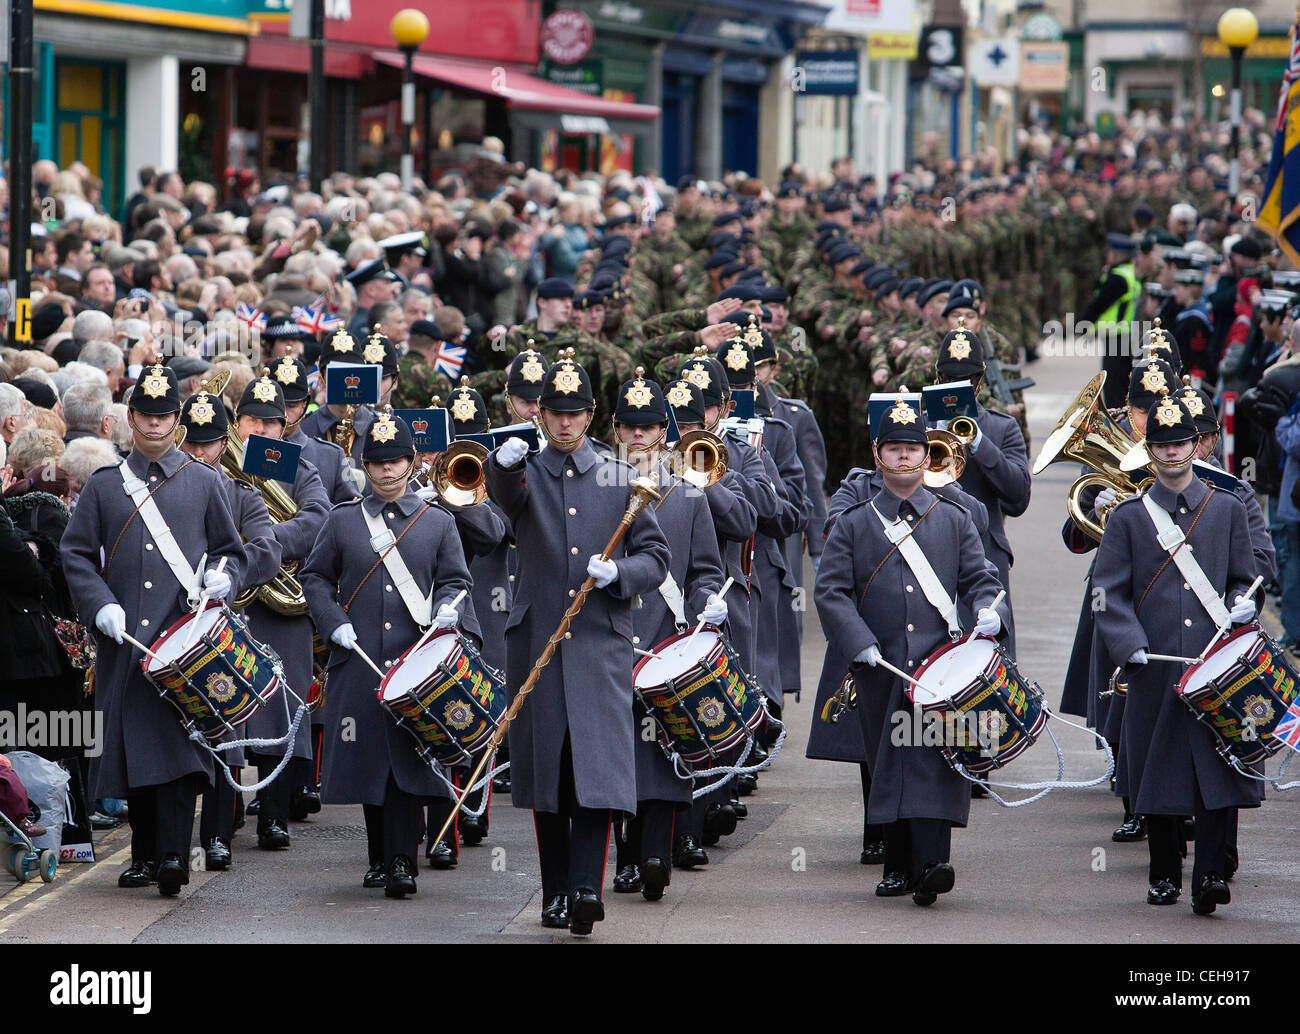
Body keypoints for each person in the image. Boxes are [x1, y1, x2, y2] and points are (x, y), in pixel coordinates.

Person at [485, 351, 670, 936]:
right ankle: (556, 892)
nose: (564, 424)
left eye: (575, 414)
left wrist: (622, 576)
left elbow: (656, 557)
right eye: (554, 414)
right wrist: (501, 466)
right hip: (539, 637)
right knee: (549, 777)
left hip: (598, 642)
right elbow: (502, 505)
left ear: (591, 416)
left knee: (597, 771)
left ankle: (587, 888)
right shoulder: (527, 472)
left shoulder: (620, 476)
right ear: (540, 415)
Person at [62, 359, 245, 896]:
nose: (157, 426)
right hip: (127, 644)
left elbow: (231, 553)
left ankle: (172, 856)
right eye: (147, 416)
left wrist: (220, 579)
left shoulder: (203, 482)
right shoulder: (104, 487)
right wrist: (99, 605)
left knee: (178, 752)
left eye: (166, 416)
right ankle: (144, 854)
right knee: (133, 751)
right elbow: (75, 555)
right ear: (132, 419)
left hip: (183, 641)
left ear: (178, 421)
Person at [814, 394, 1004, 905]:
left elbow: (980, 578)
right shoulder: (856, 521)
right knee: (888, 759)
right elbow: (830, 591)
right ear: (878, 454)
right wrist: (858, 643)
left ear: (927, 455)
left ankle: (933, 863)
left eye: (912, 449)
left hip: (940, 662)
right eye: (894, 449)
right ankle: (896, 864)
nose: (904, 457)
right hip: (881, 664)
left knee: (935, 759)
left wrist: (990, 613)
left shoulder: (954, 516)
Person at [1092, 393, 1259, 914]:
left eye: (1180, 442)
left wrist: (1241, 609)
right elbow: (1107, 592)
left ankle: (1210, 873)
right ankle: (1163, 873)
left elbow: (1244, 577)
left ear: (1196, 444)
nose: (1171, 453)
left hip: (1216, 664)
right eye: (1161, 445)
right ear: (1150, 449)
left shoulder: (1225, 507)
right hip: (1155, 664)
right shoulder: (1127, 517)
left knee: (1219, 766)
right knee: (1157, 769)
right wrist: (1128, 644)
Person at [300, 409, 478, 899]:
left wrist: (447, 612)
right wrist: (333, 623)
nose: (386, 470)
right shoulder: (342, 521)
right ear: (365, 465)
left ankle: (402, 860)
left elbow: (456, 581)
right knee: (370, 763)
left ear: (410, 461)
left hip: (415, 660)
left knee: (408, 764)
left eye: (395, 460)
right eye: (377, 462)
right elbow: (314, 578)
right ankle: (380, 857)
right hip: (359, 660)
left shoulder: (436, 521)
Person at [608, 370, 726, 901]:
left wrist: (707, 606)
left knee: (661, 753)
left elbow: (704, 570)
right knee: (615, 755)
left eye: (649, 427)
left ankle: (653, 853)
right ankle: (625, 857)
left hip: (666, 640)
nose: (639, 436)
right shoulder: (596, 487)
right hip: (609, 637)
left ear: (665, 431)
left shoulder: (688, 495)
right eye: (630, 427)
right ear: (614, 429)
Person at [175, 383, 281, 870]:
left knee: (223, 730)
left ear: (224, 443)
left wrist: (228, 575)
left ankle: (216, 835)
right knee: (168, 734)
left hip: (221, 621)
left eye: (209, 443)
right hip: (171, 621)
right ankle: (160, 848)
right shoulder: (162, 486)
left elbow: (265, 548)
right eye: (192, 443)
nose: (200, 452)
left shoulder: (242, 494)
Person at [231, 372, 331, 847]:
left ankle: (273, 815)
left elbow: (318, 520)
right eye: (253, 420)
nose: (262, 430)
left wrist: (266, 541)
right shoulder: (221, 462)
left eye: (271, 424)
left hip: (282, 601)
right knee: (224, 705)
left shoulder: (298, 467)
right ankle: (225, 811)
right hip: (234, 600)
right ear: (238, 422)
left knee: (280, 704)